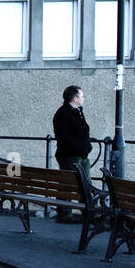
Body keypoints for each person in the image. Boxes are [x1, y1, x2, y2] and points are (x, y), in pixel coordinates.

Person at [53, 85, 92, 222]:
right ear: (75, 99)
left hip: (77, 155)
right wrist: (82, 149)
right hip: (72, 156)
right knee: (74, 184)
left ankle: (87, 212)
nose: (84, 98)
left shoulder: (74, 111)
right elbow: (65, 137)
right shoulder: (65, 113)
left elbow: (81, 132)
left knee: (82, 184)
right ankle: (68, 213)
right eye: (82, 96)